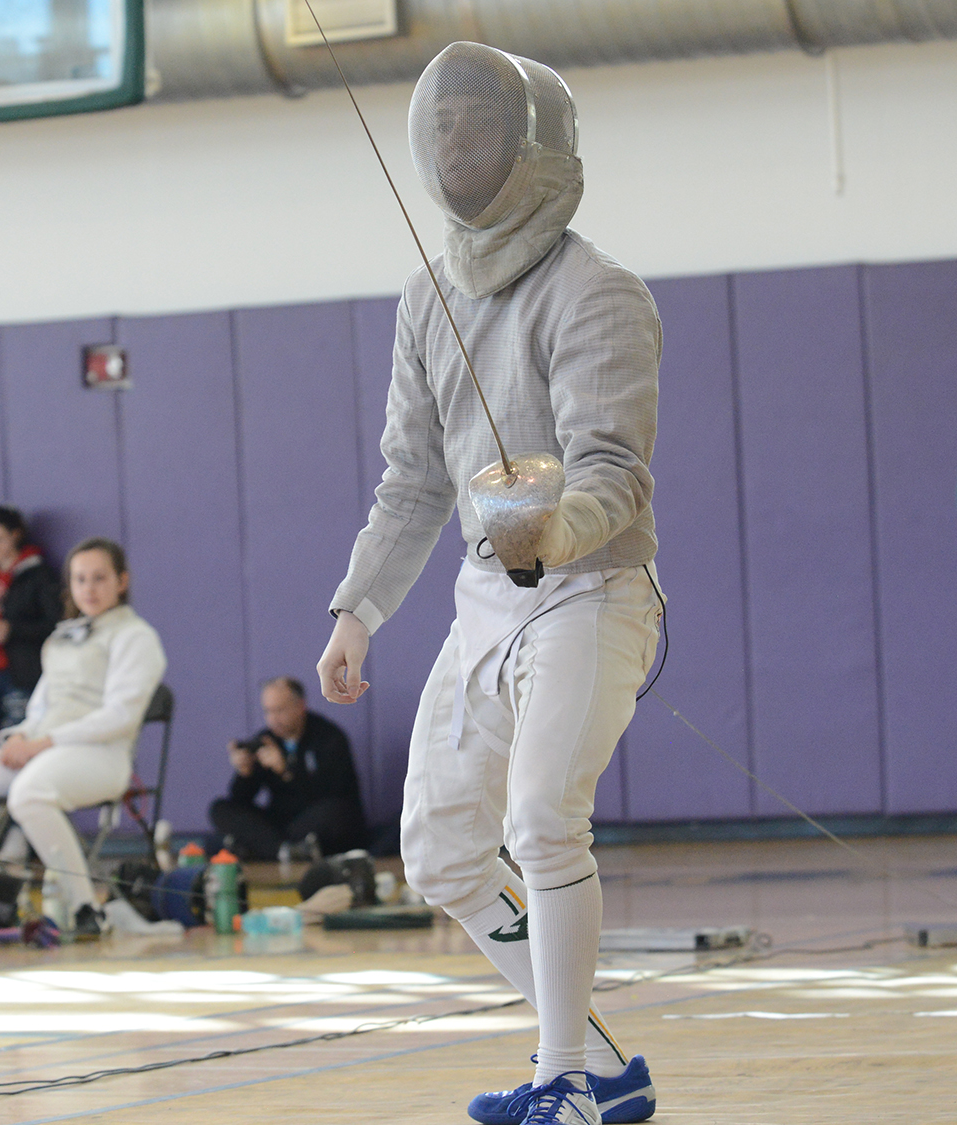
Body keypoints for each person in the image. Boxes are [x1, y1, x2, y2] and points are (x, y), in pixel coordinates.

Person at [315, 44, 661, 1125]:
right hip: (483, 598)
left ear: (529, 144)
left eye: (479, 125)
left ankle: (564, 1080)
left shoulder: (597, 292)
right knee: (439, 852)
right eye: (447, 126)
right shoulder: (426, 298)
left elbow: (614, 469)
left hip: (591, 591)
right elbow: (413, 478)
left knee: (542, 822)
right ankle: (594, 1060)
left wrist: (556, 529)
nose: (458, 143)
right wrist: (357, 609)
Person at [0, 537, 165, 941]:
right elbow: (41, 705)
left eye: (99, 578)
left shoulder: (136, 637)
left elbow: (120, 715)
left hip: (100, 758)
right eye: (80, 579)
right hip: (42, 754)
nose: (89, 588)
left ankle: (86, 907)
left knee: (28, 794)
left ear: (121, 581)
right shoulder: (66, 636)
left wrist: (43, 743)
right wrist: (20, 736)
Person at [209, 676, 367, 861]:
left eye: (280, 710)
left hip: (316, 821)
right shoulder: (266, 740)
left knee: (337, 812)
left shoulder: (329, 737)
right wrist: (244, 773)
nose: (273, 719)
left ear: (301, 706)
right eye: (268, 711)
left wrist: (286, 771)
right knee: (219, 808)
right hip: (280, 826)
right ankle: (285, 851)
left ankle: (271, 850)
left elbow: (334, 794)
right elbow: (241, 800)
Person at [0, 506, 59, 752]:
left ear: (15, 535)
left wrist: (12, 631)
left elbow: (54, 625)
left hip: (23, 671)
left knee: (17, 738)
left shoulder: (37, 573)